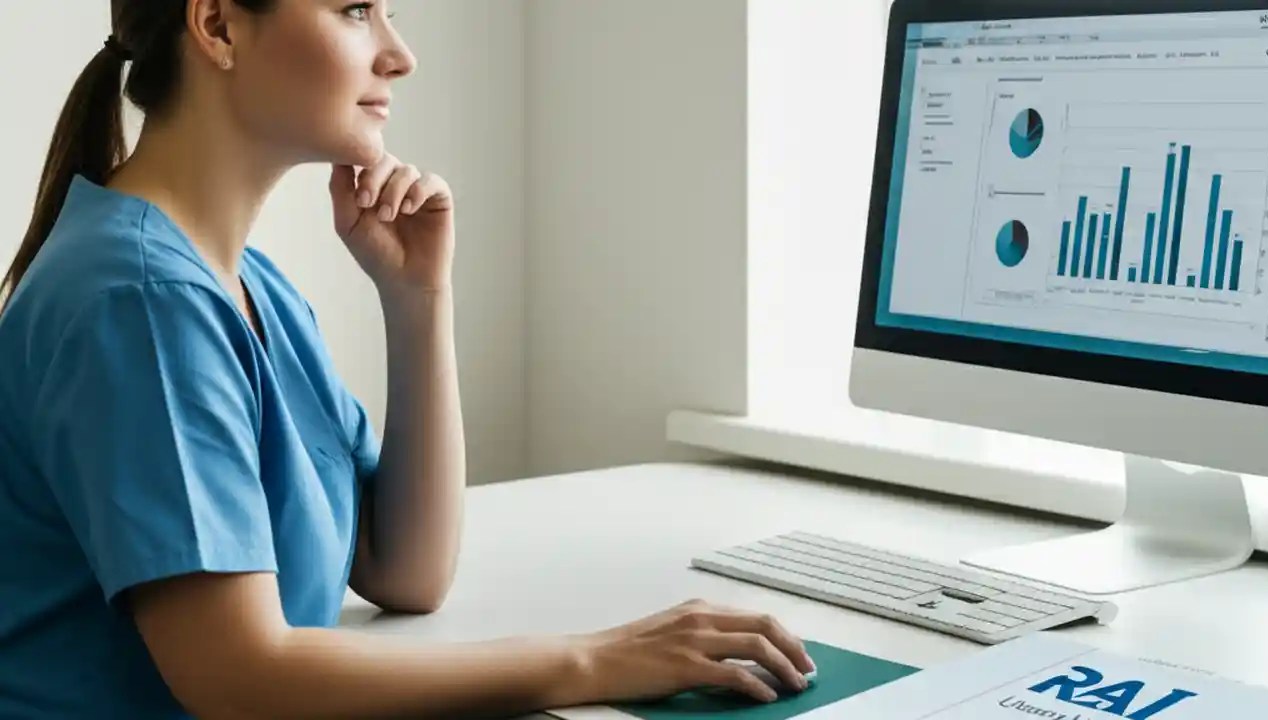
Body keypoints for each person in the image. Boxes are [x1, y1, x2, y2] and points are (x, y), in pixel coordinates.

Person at [0, 1, 815, 718]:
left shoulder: (246, 286)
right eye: (356, 8)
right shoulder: (139, 300)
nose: (398, 53)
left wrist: (418, 300)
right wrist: (593, 660)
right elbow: (241, 680)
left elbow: (407, 568)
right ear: (216, 25)